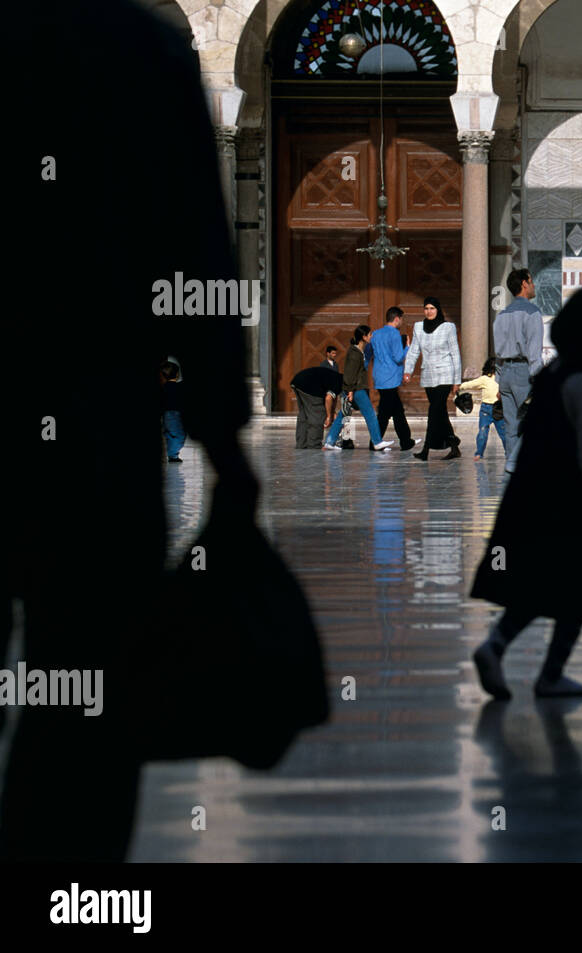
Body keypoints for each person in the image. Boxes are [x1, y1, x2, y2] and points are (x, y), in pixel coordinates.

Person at [8, 0, 260, 861]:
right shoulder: (131, 46)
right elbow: (194, 249)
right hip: (91, 435)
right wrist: (222, 429)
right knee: (83, 693)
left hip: (87, 428)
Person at [470, 288, 582, 700]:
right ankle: (551, 673)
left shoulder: (553, 374)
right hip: (568, 500)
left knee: (539, 582)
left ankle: (495, 646)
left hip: (530, 494)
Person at [493, 268, 543, 474]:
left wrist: (498, 378)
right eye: (531, 281)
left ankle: (513, 464)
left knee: (511, 423)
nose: (533, 285)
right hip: (524, 371)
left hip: (505, 372)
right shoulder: (532, 313)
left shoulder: (502, 315)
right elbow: (534, 353)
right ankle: (515, 462)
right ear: (524, 283)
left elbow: (497, 351)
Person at [404, 296, 462, 461]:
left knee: (433, 411)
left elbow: (455, 353)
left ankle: (426, 449)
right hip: (428, 376)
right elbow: (414, 350)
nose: (429, 312)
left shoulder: (448, 327)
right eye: (426, 308)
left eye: (432, 308)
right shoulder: (418, 327)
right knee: (440, 412)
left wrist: (457, 380)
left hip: (445, 375)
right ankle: (454, 445)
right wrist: (408, 370)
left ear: (438, 310)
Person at [324, 325, 393, 452]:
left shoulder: (360, 351)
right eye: (370, 334)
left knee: (343, 415)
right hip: (356, 389)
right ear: (364, 337)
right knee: (370, 414)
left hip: (354, 388)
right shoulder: (355, 353)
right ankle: (377, 441)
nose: (371, 336)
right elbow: (350, 373)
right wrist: (350, 391)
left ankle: (330, 441)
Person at [370, 306, 418, 452]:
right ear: (397, 318)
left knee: (397, 411)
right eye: (401, 319)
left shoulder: (376, 334)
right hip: (390, 378)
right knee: (384, 414)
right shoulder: (395, 334)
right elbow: (398, 357)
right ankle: (375, 442)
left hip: (379, 376)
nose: (402, 322)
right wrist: (407, 347)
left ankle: (406, 441)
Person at [460, 358, 508, 460]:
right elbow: (471, 384)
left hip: (499, 408)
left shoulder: (503, 378)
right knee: (482, 433)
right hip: (486, 409)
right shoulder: (485, 379)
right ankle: (479, 453)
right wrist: (461, 386)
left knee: (504, 433)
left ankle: (509, 452)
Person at [291, 364, 344, 450]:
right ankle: (314, 445)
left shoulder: (336, 378)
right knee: (317, 414)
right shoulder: (339, 383)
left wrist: (332, 411)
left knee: (303, 416)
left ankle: (301, 444)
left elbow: (333, 398)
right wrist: (328, 416)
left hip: (297, 381)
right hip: (309, 388)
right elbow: (328, 398)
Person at [160, 361, 186, 463]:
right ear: (177, 374)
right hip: (177, 414)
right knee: (178, 435)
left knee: (172, 434)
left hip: (168, 414)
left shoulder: (164, 388)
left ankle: (173, 454)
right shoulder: (180, 387)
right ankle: (173, 455)